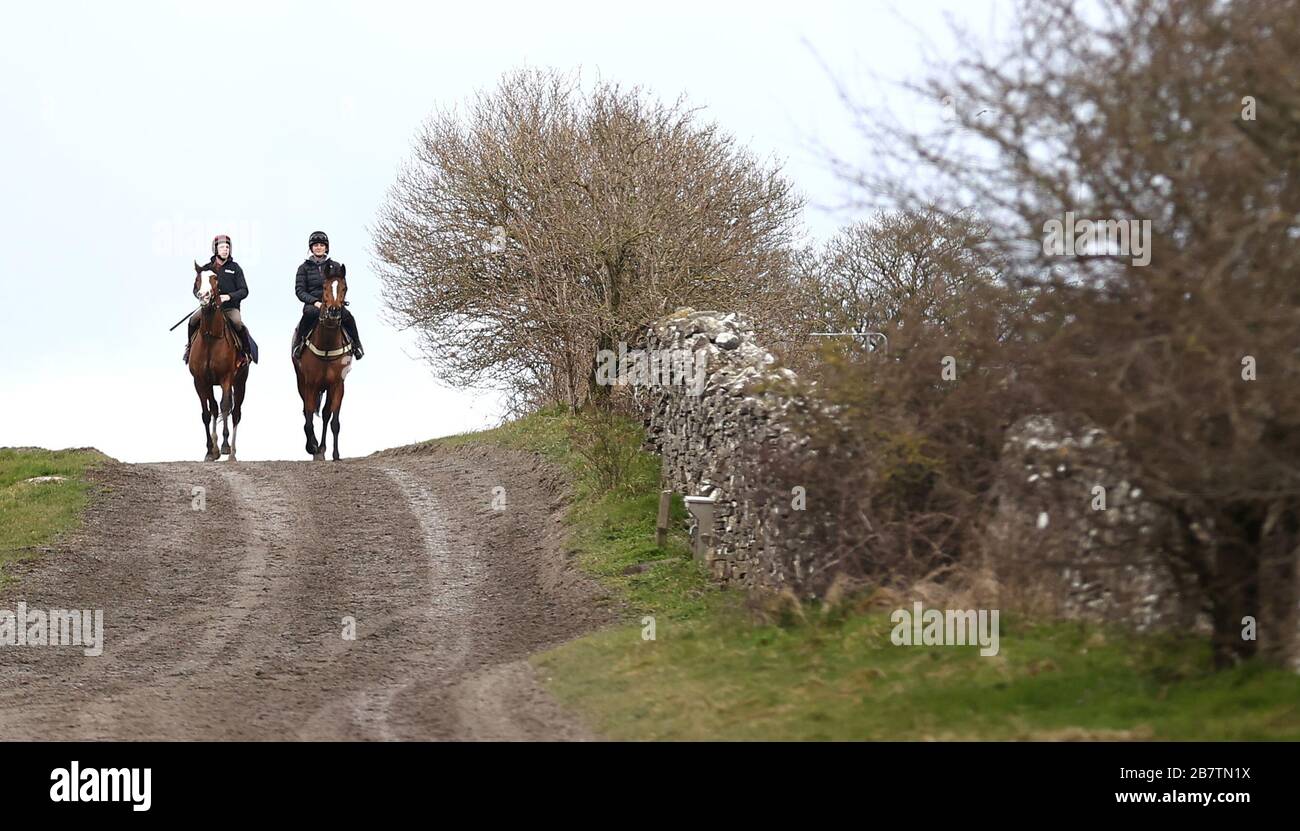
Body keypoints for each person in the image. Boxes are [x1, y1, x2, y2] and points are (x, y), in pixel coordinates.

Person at [184, 234, 257, 364]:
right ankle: (189, 348)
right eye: (222, 247)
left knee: (238, 323)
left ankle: (244, 353)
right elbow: (196, 289)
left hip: (229, 308)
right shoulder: (206, 269)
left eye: (227, 247)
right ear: (216, 249)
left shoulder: (235, 268)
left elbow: (244, 290)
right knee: (192, 320)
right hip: (209, 309)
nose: (225, 249)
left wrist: (229, 297)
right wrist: (201, 296)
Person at [293, 230, 364, 360]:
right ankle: (298, 345)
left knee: (348, 317)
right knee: (307, 316)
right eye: (315, 245)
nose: (318, 247)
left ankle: (357, 345)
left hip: (333, 302)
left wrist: (338, 301)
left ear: (326, 247)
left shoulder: (336, 266)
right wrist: (315, 302)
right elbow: (300, 290)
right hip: (314, 304)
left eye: (321, 245)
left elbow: (343, 287)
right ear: (311, 248)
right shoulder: (303, 268)